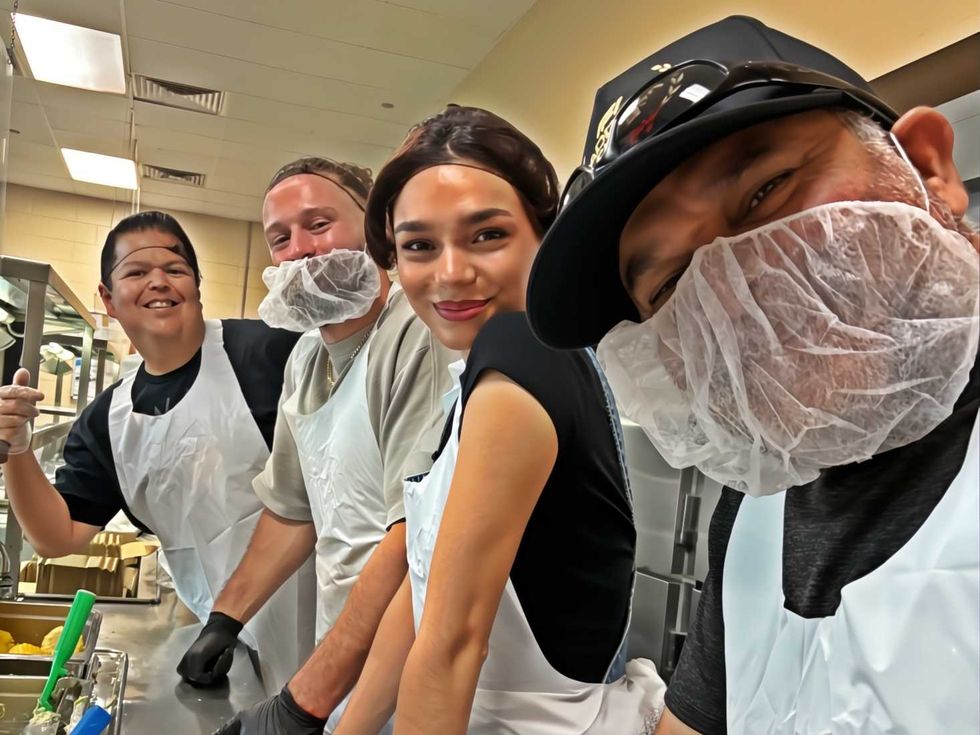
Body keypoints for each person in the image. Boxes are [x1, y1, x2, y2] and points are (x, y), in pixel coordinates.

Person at [526, 15, 979, 735]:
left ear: (927, 168)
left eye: (766, 193)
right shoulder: (756, 510)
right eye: (673, 285)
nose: (736, 294)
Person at [334, 106, 665, 735]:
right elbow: (427, 589)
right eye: (419, 247)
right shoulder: (495, 363)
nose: (451, 273)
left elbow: (455, 645)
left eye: (486, 235)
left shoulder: (521, 353)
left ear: (544, 236)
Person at [0, 211, 313, 692]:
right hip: (222, 639)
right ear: (108, 297)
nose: (159, 282)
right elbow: (57, 536)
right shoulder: (108, 421)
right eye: (136, 272)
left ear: (197, 284)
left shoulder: (272, 353)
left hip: (322, 616)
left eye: (175, 268)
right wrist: (18, 448)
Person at [194, 158, 453, 735]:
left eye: (319, 223)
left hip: (428, 662)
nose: (301, 251)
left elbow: (414, 537)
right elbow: (291, 509)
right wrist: (225, 619)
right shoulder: (307, 359)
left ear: (378, 229)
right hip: (346, 648)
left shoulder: (419, 336)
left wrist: (303, 700)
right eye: (280, 238)